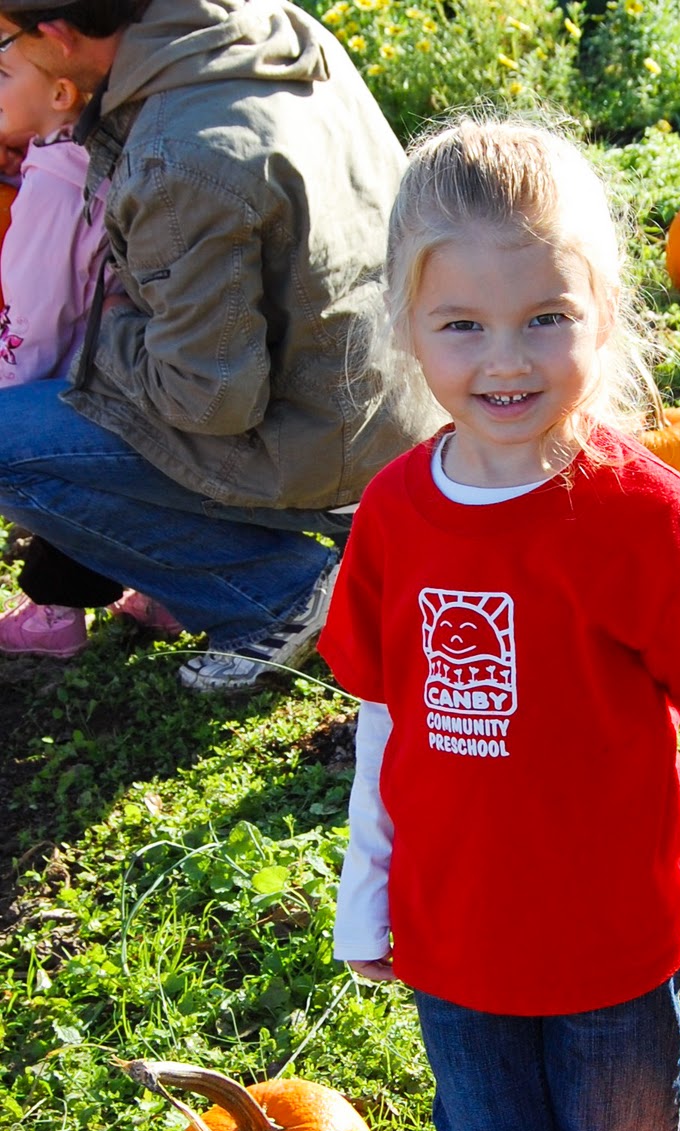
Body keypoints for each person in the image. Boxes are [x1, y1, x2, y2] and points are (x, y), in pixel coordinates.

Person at [318, 116, 680, 1131]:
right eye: (462, 325)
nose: (506, 359)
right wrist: (362, 889)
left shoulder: (648, 522)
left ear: (603, 318)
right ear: (407, 329)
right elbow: (383, 717)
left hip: (612, 945)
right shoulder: (392, 514)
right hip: (453, 937)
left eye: (545, 319)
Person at [0, 0, 436, 690]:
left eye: (2, 45)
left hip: (322, 447)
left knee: (6, 445)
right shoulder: (268, 30)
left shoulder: (180, 158)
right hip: (401, 401)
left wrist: (103, 327)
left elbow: (207, 401)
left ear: (53, 35)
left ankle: (273, 590)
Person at [0, 23, 179, 658]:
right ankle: (167, 591)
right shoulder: (109, 150)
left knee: (57, 478)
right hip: (142, 362)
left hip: (82, 372)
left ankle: (54, 614)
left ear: (60, 95)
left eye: (3, 75)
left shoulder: (51, 185)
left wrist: (9, 389)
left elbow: (38, 316)